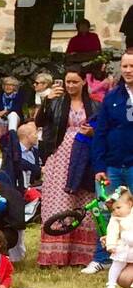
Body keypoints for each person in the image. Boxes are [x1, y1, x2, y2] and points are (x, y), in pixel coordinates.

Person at [37, 67, 98, 269]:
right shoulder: (55, 102)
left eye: (74, 82)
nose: (70, 86)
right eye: (67, 82)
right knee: (60, 200)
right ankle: (56, 255)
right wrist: (46, 101)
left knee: (83, 198)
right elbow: (39, 122)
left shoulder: (95, 105)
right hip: (60, 155)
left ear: (83, 83)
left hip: (84, 153)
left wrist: (93, 132)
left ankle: (82, 255)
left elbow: (102, 127)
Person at [84, 50, 133, 275]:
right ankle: (103, 257)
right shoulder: (112, 97)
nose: (128, 71)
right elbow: (100, 133)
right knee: (106, 212)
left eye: (132, 66)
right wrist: (100, 167)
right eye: (124, 66)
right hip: (112, 166)